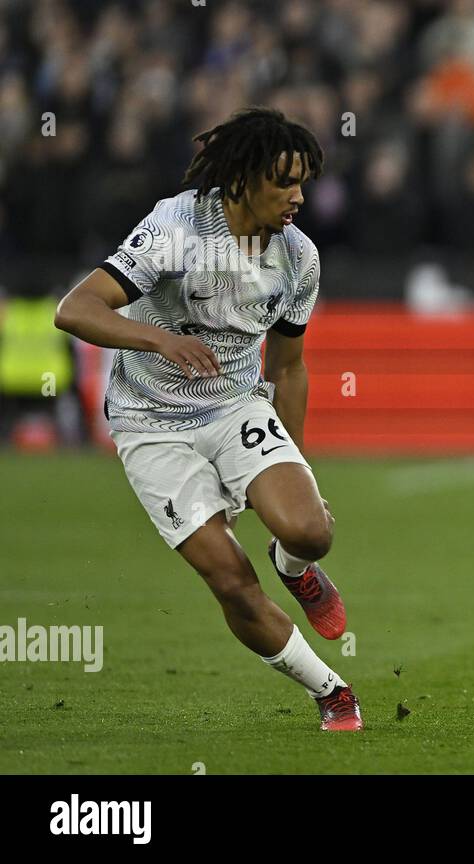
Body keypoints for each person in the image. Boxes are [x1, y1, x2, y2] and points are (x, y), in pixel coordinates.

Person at [53, 107, 362, 732]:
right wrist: (156, 339)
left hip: (235, 407)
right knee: (228, 576)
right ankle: (331, 691)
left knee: (311, 531)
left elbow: (290, 366)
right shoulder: (176, 226)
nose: (299, 197)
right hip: (150, 422)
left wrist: (294, 462)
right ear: (244, 180)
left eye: (304, 181)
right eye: (284, 182)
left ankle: (293, 564)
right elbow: (75, 308)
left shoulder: (299, 257)